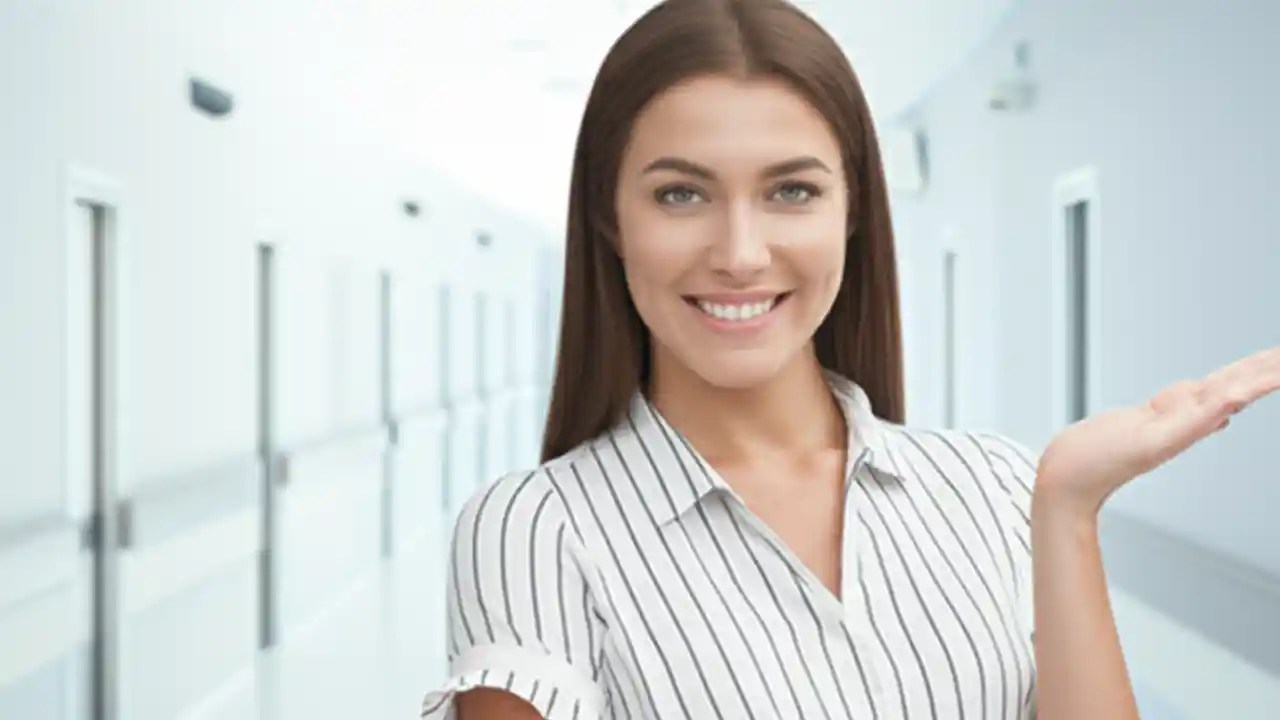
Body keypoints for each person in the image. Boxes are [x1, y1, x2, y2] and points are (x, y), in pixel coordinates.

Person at [421, 0, 1280, 717]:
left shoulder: (999, 489)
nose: (742, 252)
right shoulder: (536, 528)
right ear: (611, 218)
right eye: (681, 194)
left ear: (853, 209)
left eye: (791, 191)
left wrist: (1067, 508)